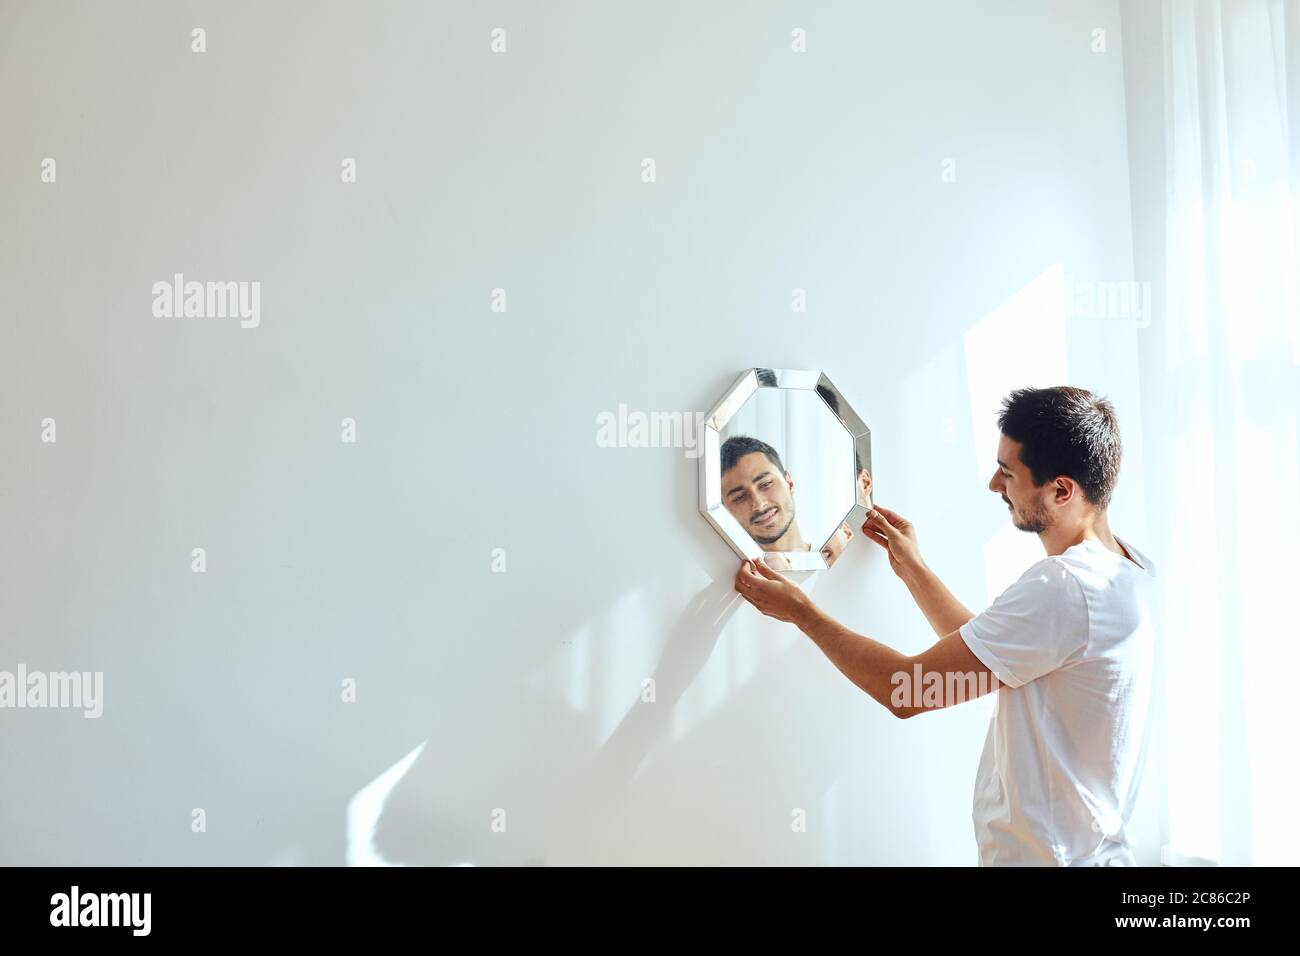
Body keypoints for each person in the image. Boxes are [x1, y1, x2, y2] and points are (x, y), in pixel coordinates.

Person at [734, 386, 1156, 866]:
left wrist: (801, 612)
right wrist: (914, 568)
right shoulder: (1130, 570)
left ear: (1061, 490)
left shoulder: (1064, 586)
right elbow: (989, 654)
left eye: (1008, 472)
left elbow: (908, 690)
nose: (995, 486)